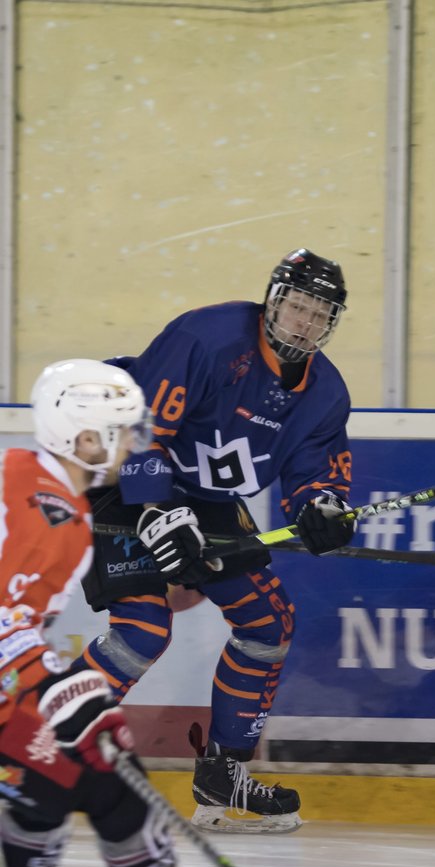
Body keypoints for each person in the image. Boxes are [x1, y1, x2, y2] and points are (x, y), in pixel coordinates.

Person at [71, 249, 357, 835]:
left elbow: (315, 474)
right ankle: (37, 751)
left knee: (268, 624)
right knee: (143, 632)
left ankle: (223, 774)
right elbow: (138, 427)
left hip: (206, 500)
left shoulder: (325, 393)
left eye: (316, 312)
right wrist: (159, 510)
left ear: (331, 321)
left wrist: (321, 508)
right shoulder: (208, 337)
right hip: (127, 476)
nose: (302, 321)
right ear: (273, 299)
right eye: (295, 305)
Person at [0, 358, 258, 867]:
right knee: (100, 763)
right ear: (84, 438)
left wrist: (55, 690)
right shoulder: (44, 512)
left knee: (72, 757)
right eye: (122, 432)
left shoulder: (43, 491)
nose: (136, 444)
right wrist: (49, 687)